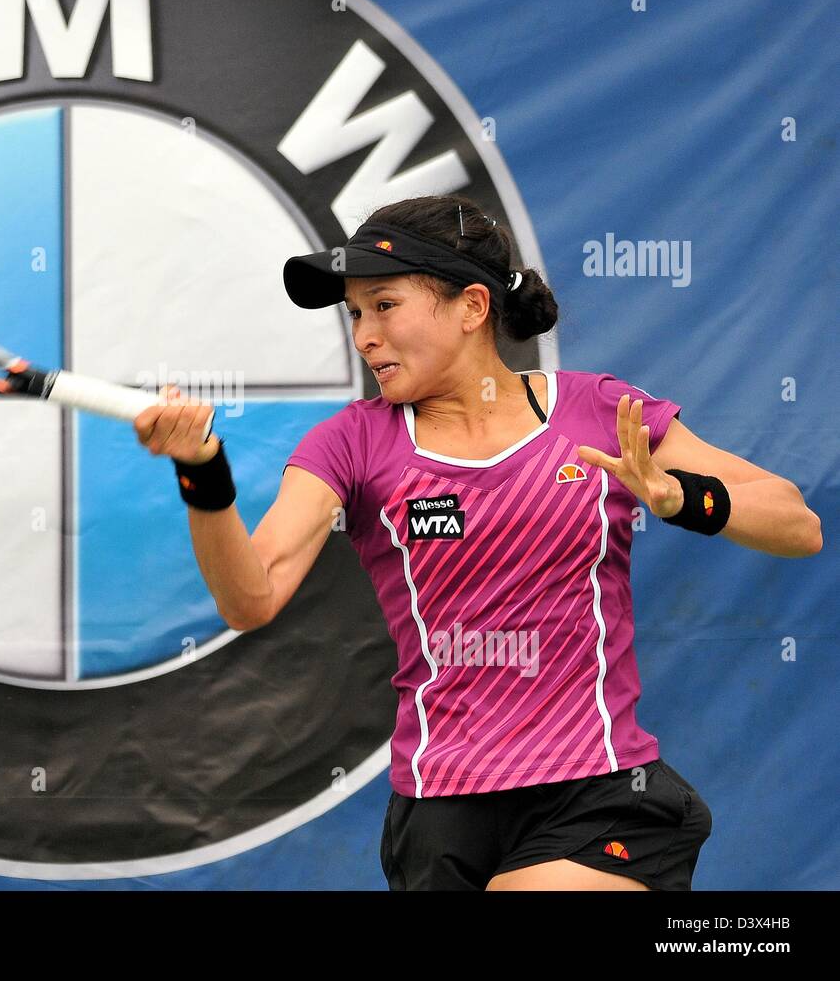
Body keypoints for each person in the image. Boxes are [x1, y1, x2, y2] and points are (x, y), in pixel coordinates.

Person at [133, 193, 822, 891]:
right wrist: (202, 471)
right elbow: (252, 596)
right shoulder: (350, 442)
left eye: (385, 305)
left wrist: (685, 499)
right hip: (440, 811)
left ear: (470, 307)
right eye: (355, 313)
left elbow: (798, 521)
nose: (364, 335)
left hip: (599, 792)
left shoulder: (598, 410)